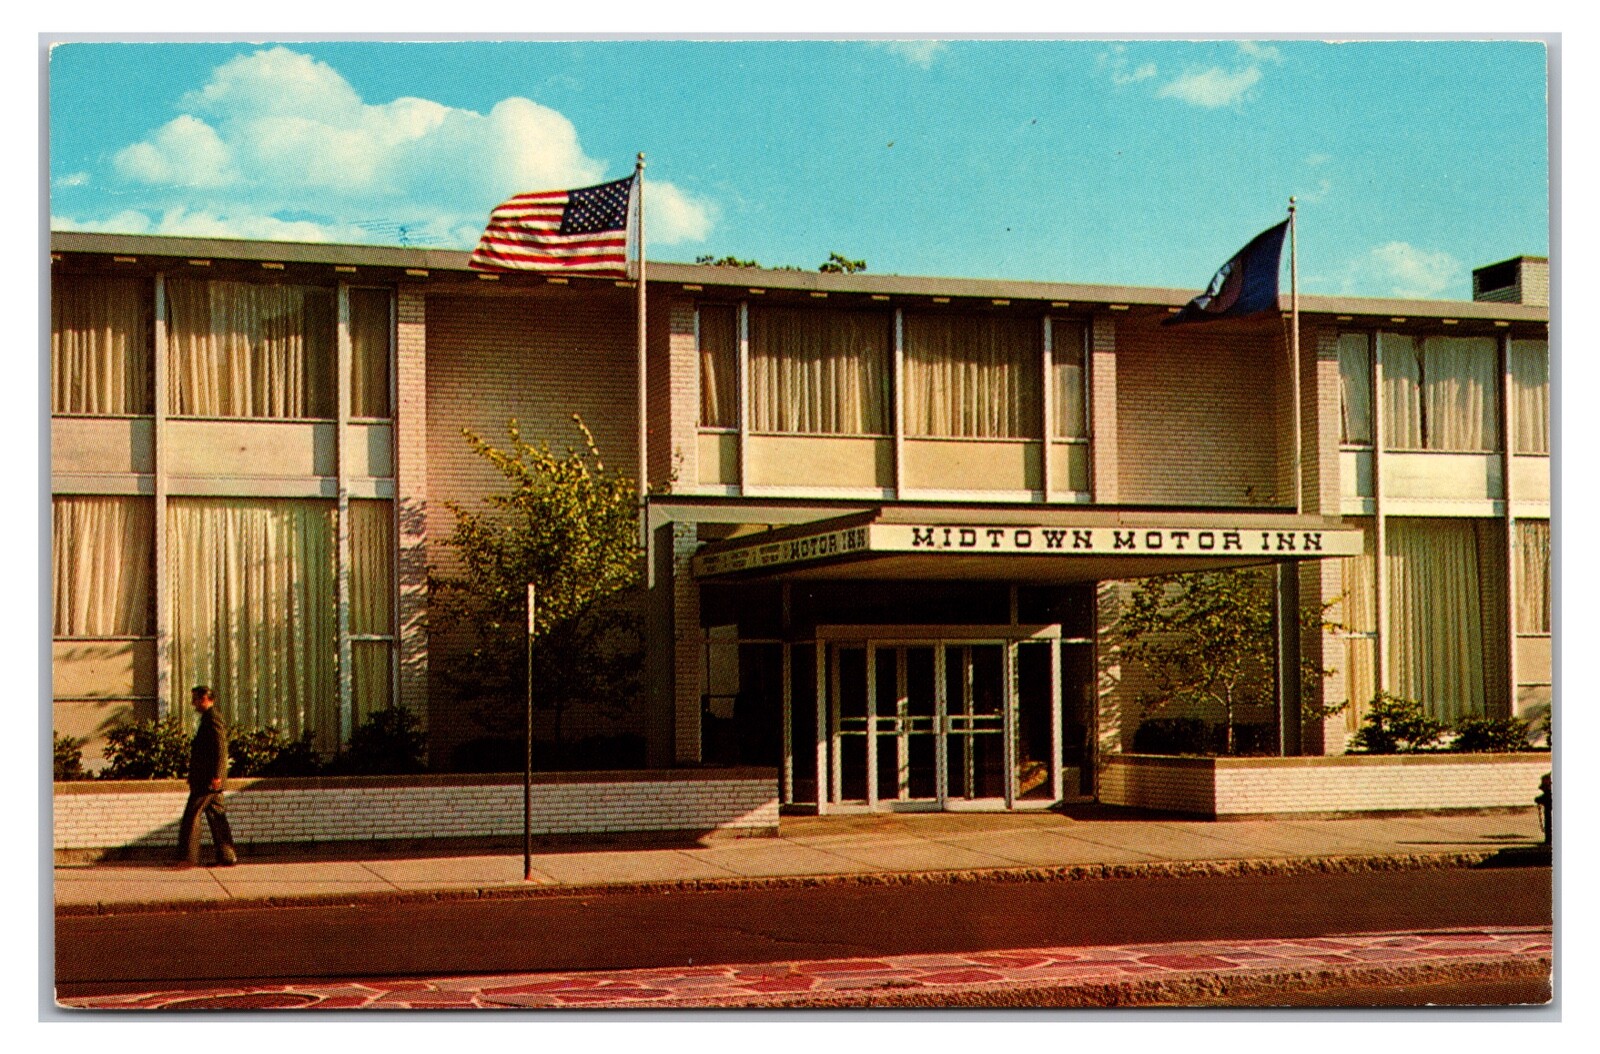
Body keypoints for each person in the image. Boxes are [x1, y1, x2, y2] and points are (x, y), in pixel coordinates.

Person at [177, 686, 238, 867]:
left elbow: (221, 749)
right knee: (216, 815)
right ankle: (227, 855)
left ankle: (188, 858)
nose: (192, 704)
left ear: (204, 698)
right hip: (209, 779)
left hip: (208, 780)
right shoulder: (209, 718)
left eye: (195, 699)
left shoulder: (213, 718)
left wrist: (217, 776)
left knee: (192, 815)